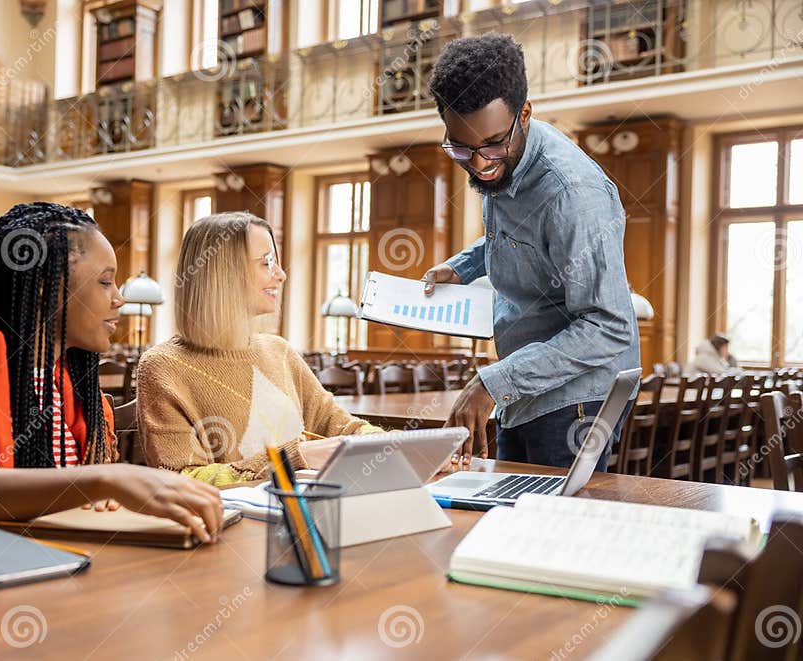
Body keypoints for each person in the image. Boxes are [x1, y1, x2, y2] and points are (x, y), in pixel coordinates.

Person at [0, 202, 223, 542]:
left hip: (64, 554)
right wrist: (107, 480)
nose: (119, 299)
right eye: (105, 281)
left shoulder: (68, 374)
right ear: (46, 286)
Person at [422, 34, 639, 471]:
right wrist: (462, 267)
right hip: (524, 387)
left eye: (493, 144)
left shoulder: (572, 193)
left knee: (551, 514)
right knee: (507, 506)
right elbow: (523, 234)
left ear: (524, 114)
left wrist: (493, 381)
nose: (480, 163)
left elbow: (609, 325)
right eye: (462, 148)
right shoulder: (502, 156)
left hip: (576, 397)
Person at [136, 212, 382, 486]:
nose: (281, 275)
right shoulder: (162, 367)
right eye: (267, 263)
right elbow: (182, 479)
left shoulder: (280, 351)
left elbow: (339, 424)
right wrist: (291, 459)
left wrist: (391, 444)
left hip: (305, 506)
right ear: (224, 272)